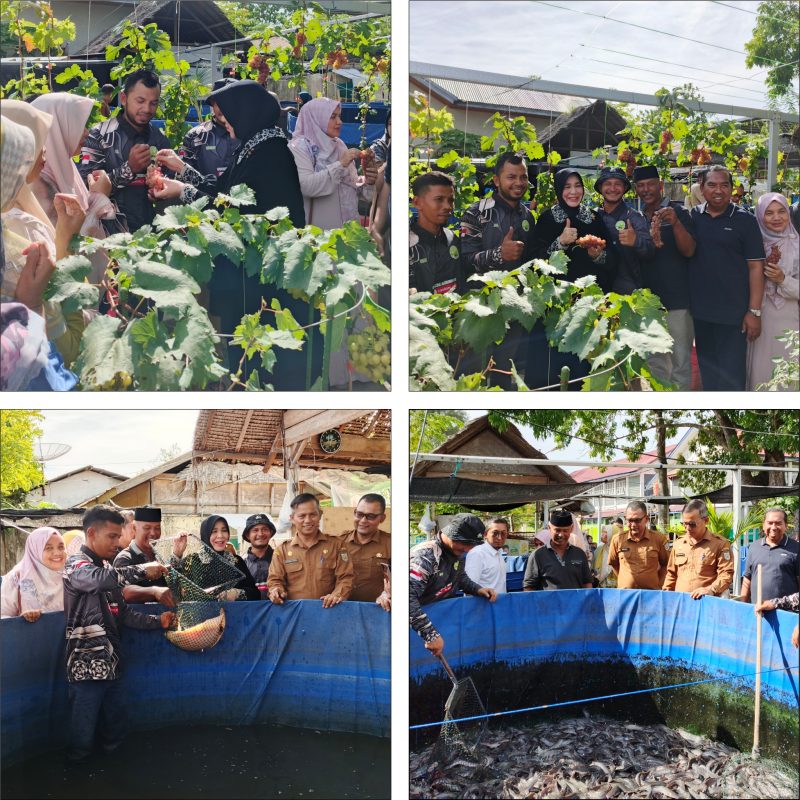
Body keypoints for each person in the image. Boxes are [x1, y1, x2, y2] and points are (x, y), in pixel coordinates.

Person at [152, 80, 313, 389]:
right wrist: (183, 170)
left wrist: (183, 191)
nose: (221, 123)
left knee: (256, 357)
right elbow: (227, 193)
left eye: (223, 116)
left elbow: (236, 212)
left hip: (259, 283)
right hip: (247, 278)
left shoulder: (270, 155)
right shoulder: (255, 147)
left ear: (244, 113)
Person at [63, 505, 174, 763]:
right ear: (92, 533)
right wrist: (143, 570)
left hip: (113, 665)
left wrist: (159, 621)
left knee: (115, 731)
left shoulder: (107, 570)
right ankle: (77, 780)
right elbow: (100, 580)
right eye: (112, 536)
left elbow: (123, 614)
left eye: (118, 536)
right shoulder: (75, 566)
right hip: (86, 669)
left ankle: (114, 776)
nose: (117, 543)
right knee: (82, 737)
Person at [524, 168, 617, 388]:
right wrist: (560, 243)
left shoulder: (593, 218)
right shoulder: (547, 219)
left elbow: (613, 261)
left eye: (577, 186)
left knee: (580, 360)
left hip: (586, 304)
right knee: (549, 362)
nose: (573, 192)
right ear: (558, 190)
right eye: (567, 187)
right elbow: (533, 262)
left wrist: (598, 255)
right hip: (553, 304)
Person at [460, 152, 536, 385]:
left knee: (504, 371)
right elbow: (465, 259)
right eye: (511, 177)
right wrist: (498, 254)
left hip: (513, 309)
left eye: (523, 177)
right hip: (481, 308)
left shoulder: (527, 216)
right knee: (475, 373)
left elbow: (531, 262)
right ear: (496, 180)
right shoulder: (477, 212)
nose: (518, 183)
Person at [688, 165, 766, 391]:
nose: (718, 190)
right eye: (712, 185)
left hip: (734, 317)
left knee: (732, 380)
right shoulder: (694, 217)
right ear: (702, 188)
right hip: (702, 315)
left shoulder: (745, 221)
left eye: (724, 185)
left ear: (732, 189)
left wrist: (754, 312)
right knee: (709, 379)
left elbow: (755, 267)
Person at [78, 69, 172, 232]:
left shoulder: (159, 139)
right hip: (109, 235)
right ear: (123, 98)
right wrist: (129, 169)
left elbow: (171, 186)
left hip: (153, 235)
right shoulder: (99, 135)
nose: (147, 109)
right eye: (140, 101)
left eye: (153, 103)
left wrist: (159, 186)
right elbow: (86, 187)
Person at [29, 92, 120, 262]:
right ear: (56, 127)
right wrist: (98, 197)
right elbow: (64, 245)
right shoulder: (39, 182)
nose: (86, 133)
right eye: (77, 125)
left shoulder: (62, 165)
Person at [632, 165, 696, 390]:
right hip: (650, 306)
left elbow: (689, 250)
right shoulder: (636, 219)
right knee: (656, 365)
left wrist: (675, 223)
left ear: (660, 185)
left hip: (677, 302)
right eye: (641, 186)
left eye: (650, 184)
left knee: (680, 363)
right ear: (636, 189)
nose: (646, 189)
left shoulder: (678, 212)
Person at [409, 513, 498, 658]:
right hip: (414, 627)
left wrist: (478, 589)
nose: (468, 549)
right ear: (451, 534)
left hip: (438, 621)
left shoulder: (457, 552)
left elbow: (459, 577)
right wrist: (430, 634)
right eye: (465, 543)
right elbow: (406, 598)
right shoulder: (425, 556)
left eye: (472, 545)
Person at [288, 97, 378, 229]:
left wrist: (368, 180)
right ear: (316, 118)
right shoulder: (299, 147)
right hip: (319, 239)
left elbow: (350, 185)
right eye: (333, 117)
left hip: (348, 235)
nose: (339, 122)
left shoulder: (338, 144)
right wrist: (341, 164)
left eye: (339, 116)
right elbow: (306, 186)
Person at [747, 192, 799, 390]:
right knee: (761, 371)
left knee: (787, 372)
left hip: (790, 318)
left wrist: (783, 280)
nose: (777, 218)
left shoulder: (797, 244)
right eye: (769, 213)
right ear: (760, 215)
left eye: (781, 212)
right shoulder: (752, 243)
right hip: (759, 315)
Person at [267, 493, 354, 606]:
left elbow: (346, 577)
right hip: (294, 614)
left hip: (329, 611)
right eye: (302, 516)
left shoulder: (337, 546)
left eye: (313, 515)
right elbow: (275, 580)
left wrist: (337, 594)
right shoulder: (282, 550)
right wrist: (276, 590)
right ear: (292, 518)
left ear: (320, 515)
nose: (308, 520)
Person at [595, 167, 654, 294]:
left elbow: (650, 253)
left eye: (618, 184)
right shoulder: (593, 216)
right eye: (607, 184)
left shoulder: (634, 217)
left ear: (625, 188)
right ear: (600, 188)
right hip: (596, 290)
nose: (612, 188)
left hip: (627, 292)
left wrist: (636, 241)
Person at [662, 499, 734, 599]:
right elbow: (671, 574)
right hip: (682, 603)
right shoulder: (679, 544)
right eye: (684, 523)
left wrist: (711, 589)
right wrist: (665, 596)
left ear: (706, 521)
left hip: (706, 604)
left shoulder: (720, 544)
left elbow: (726, 574)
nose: (687, 528)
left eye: (692, 524)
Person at [113, 506, 184, 606]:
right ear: (134, 528)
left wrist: (177, 553)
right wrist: (154, 591)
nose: (153, 533)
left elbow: (171, 584)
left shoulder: (158, 557)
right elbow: (123, 590)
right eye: (147, 528)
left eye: (157, 528)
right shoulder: (125, 558)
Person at [409, 171, 464, 295]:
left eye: (451, 200)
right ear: (417, 202)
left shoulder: (452, 238)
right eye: (439, 199)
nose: (447, 206)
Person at [178, 88, 238, 191]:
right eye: (220, 102)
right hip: (203, 202)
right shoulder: (196, 136)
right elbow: (183, 176)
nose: (225, 107)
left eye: (230, 102)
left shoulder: (248, 134)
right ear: (212, 104)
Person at [1, 526, 66, 620]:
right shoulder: (17, 577)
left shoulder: (71, 574)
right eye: (49, 548)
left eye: (61, 547)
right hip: (27, 633)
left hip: (64, 634)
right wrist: (22, 618)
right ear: (35, 550)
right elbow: (2, 616)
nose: (57, 553)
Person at [341, 493, 391, 610]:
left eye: (370, 516)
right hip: (342, 610)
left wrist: (388, 594)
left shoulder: (391, 544)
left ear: (382, 518)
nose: (363, 520)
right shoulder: (339, 543)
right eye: (359, 514)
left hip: (377, 611)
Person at [523, 509, 593, 591]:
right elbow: (529, 587)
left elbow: (587, 583)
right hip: (547, 604)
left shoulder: (579, 554)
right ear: (549, 528)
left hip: (575, 604)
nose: (561, 534)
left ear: (571, 529)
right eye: (557, 530)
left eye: (565, 530)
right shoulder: (537, 555)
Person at [606, 500, 670, 590]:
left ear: (646, 519)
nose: (633, 525)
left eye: (637, 520)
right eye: (630, 520)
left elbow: (666, 564)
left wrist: (659, 584)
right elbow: (614, 564)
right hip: (626, 595)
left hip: (651, 595)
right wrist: (625, 580)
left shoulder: (658, 539)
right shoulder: (617, 540)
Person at [740, 508, 799, 604]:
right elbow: (747, 580)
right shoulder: (754, 547)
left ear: (786, 526)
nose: (773, 527)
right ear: (763, 525)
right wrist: (742, 606)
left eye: (778, 523)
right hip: (758, 612)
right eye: (770, 523)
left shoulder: (796, 548)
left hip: (785, 614)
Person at [197, 515, 260, 601]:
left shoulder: (236, 561)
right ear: (205, 534)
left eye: (224, 530)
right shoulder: (194, 561)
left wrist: (237, 593)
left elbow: (255, 594)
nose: (220, 535)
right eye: (214, 531)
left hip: (236, 614)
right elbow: (177, 595)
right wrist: (177, 554)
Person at [465, 517, 509, 595]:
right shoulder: (478, 554)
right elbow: (469, 587)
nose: (499, 538)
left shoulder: (499, 553)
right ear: (485, 534)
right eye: (495, 533)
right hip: (482, 606)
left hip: (498, 604)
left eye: (503, 533)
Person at [242, 512, 276, 599]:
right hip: (250, 611)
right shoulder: (241, 562)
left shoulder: (279, 558)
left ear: (270, 532)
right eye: (255, 530)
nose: (260, 534)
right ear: (247, 535)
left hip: (278, 610)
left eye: (265, 529)